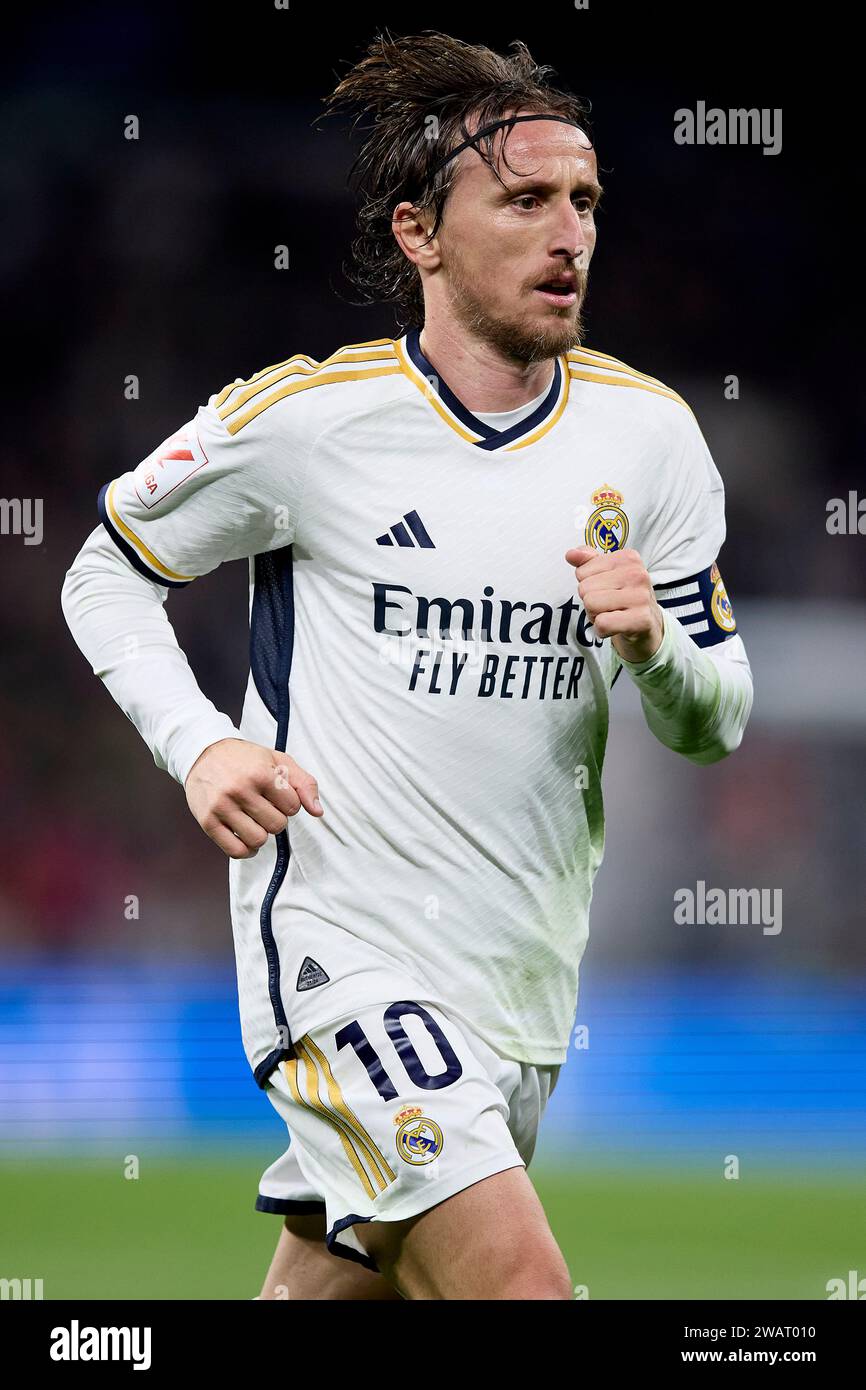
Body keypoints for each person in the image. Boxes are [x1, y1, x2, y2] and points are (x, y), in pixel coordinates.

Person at [61, 32, 753, 1300]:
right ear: (419, 234)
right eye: (527, 199)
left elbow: (717, 719)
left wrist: (654, 643)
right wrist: (199, 741)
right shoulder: (310, 423)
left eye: (586, 201)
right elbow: (104, 568)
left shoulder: (651, 439)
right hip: (340, 955)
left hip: (518, 985)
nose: (569, 234)